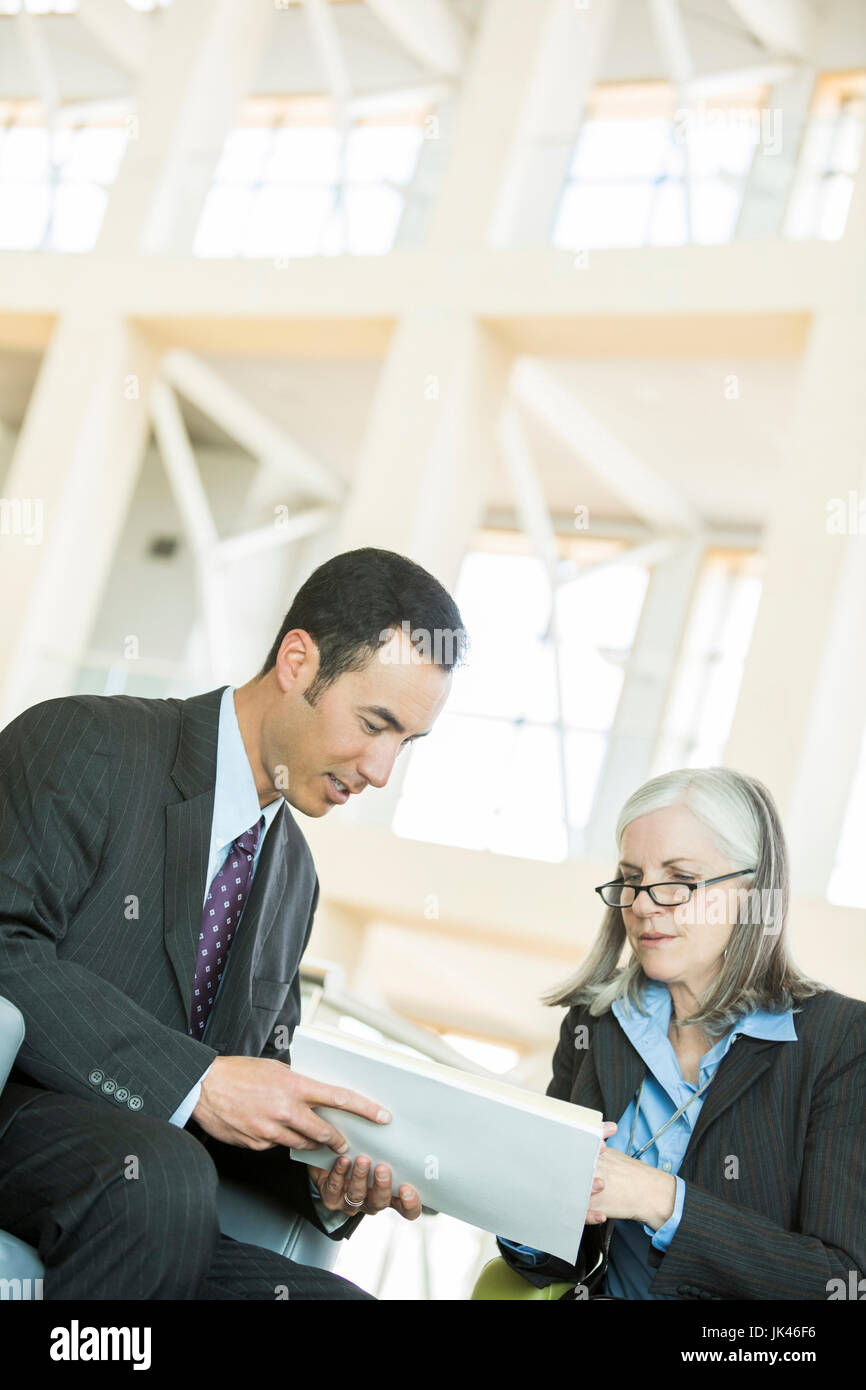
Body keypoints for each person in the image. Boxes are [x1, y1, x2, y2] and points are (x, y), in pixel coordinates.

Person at [0, 546, 465, 1300]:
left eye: (404, 744)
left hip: (152, 1203)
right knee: (161, 1174)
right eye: (374, 723)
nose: (381, 772)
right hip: (23, 1123)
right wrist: (197, 1079)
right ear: (297, 661)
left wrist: (331, 1172)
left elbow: (255, 1079)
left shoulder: (292, 875)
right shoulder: (84, 743)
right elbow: (3, 947)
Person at [498, 767, 866, 1300]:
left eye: (678, 880)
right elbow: (556, 1258)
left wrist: (661, 1199)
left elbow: (843, 1280)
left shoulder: (843, 1043)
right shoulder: (593, 1023)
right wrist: (511, 1197)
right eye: (630, 878)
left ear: (749, 892)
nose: (643, 904)